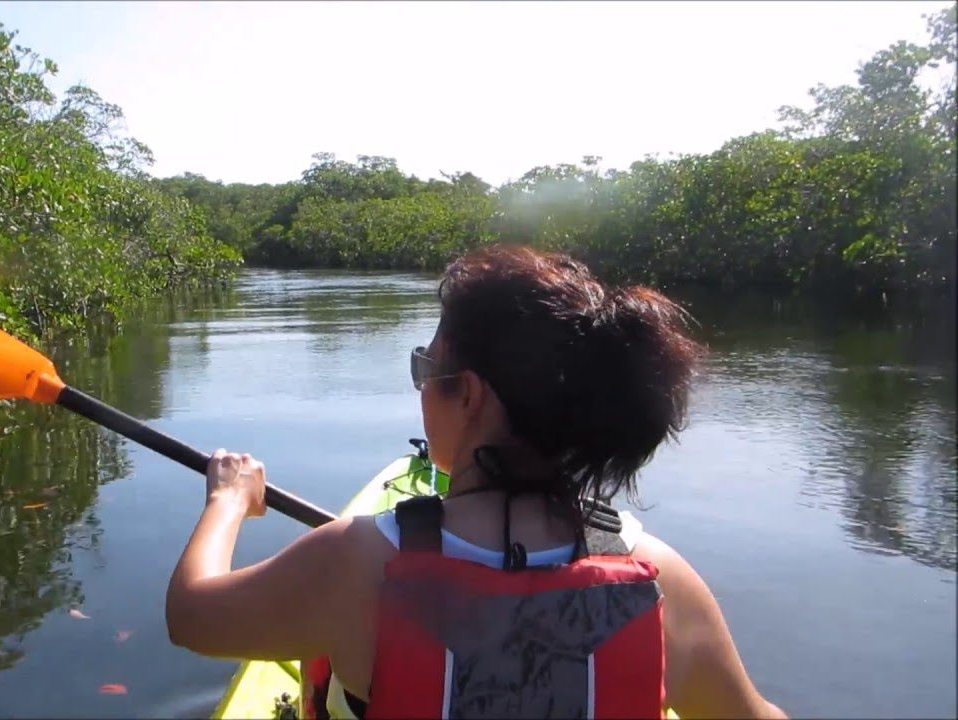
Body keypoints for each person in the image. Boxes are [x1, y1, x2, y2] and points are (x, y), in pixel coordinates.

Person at [166, 244, 786, 719]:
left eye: (426, 368)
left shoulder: (357, 564)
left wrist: (227, 499)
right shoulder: (663, 582)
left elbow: (191, 615)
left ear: (469, 395)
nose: (420, 388)